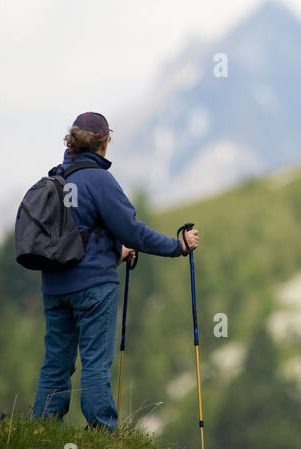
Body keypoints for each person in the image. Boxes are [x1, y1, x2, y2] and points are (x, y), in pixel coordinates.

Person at [32, 111, 199, 431]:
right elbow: (132, 231)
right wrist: (177, 247)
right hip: (94, 288)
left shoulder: (56, 178)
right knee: (95, 364)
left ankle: (41, 428)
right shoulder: (99, 180)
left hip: (54, 287)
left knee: (56, 363)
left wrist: (114, 252)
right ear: (103, 142)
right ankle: (100, 432)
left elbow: (76, 236)